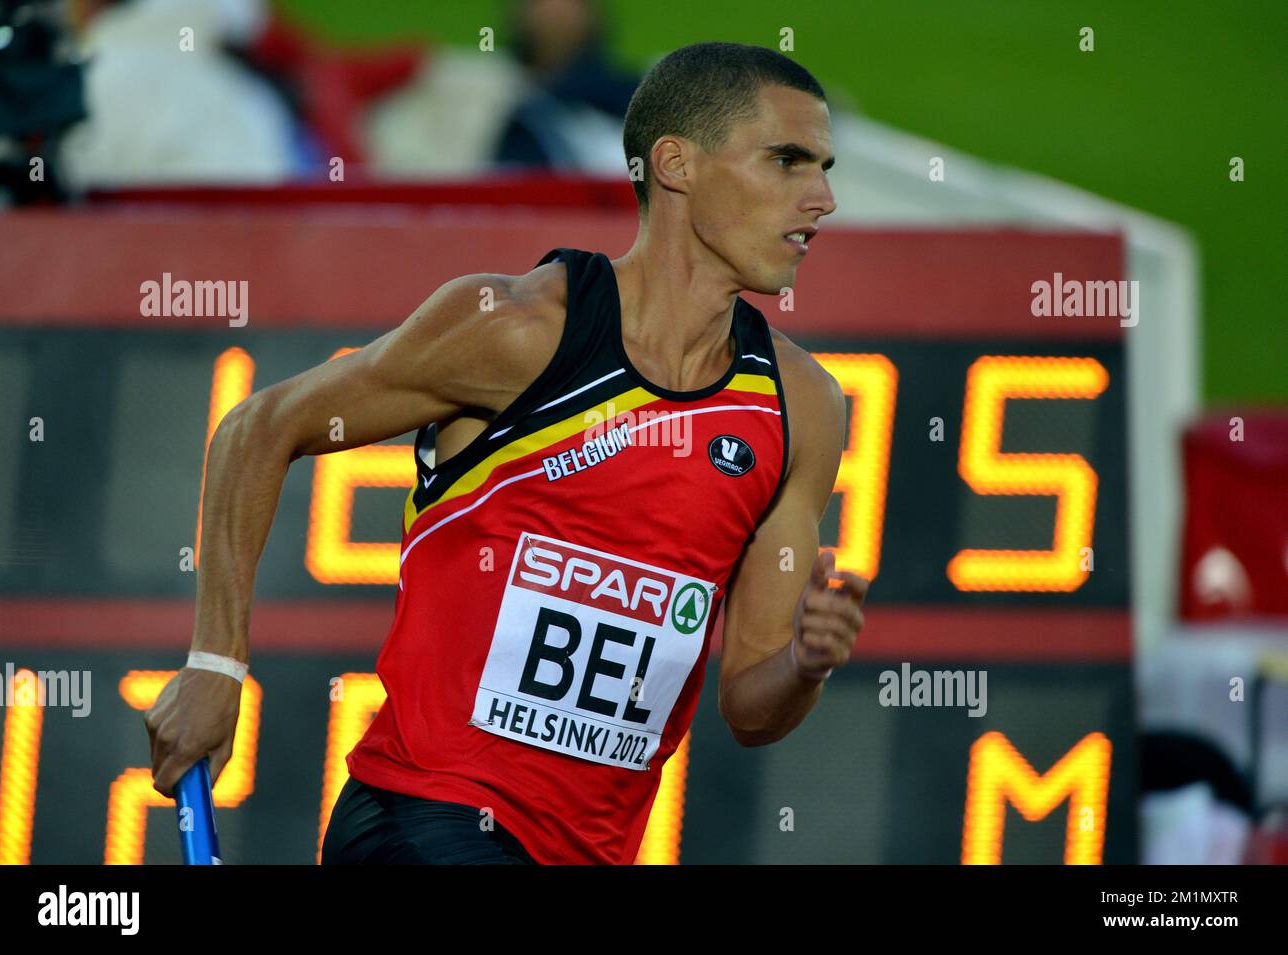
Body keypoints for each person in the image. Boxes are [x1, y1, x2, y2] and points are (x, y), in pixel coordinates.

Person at [144, 40, 867, 865]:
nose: (824, 198)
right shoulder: (517, 328)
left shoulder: (796, 406)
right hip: (423, 817)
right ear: (677, 165)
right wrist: (215, 665)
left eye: (824, 167)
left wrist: (806, 664)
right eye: (788, 161)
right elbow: (257, 428)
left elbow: (749, 705)